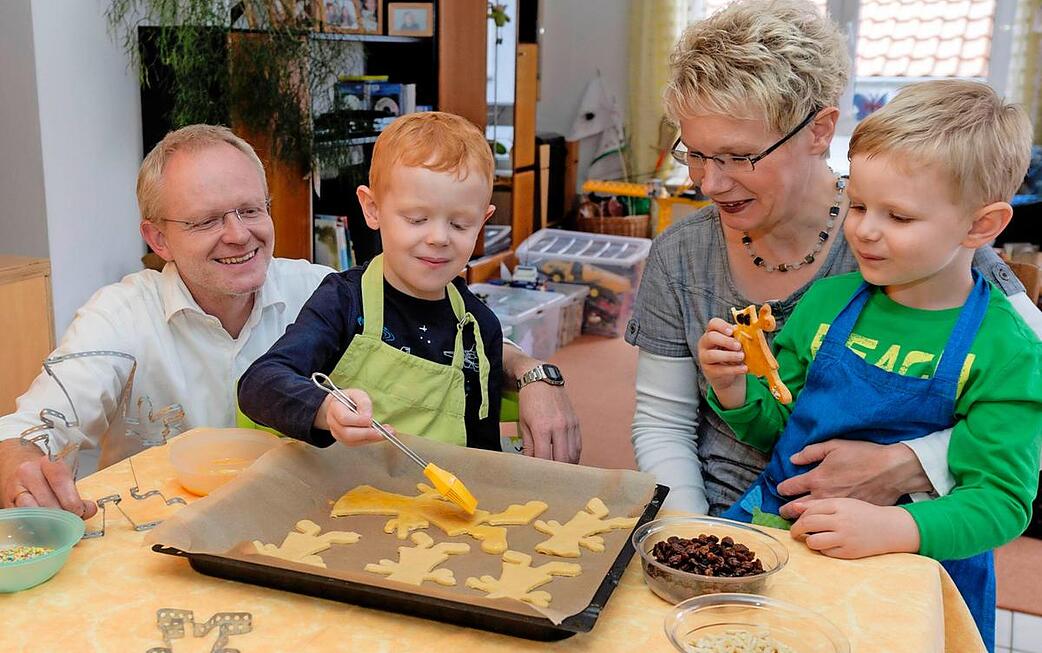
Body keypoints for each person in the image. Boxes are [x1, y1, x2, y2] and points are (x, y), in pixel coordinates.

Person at [0, 124, 580, 518]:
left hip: (297, 523)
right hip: (164, 536)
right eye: (206, 221)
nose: (238, 235)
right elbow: (33, 426)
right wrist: (17, 461)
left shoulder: (314, 285)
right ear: (158, 238)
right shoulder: (118, 317)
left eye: (251, 210)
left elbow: (447, 337)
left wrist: (535, 375)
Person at [627, 0, 1042, 518]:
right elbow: (663, 423)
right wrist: (690, 534)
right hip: (723, 512)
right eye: (695, 153)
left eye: (738, 157)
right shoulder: (680, 252)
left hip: (892, 524)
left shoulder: (930, 244)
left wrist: (911, 463)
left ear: (820, 130)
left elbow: (1024, 414)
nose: (709, 183)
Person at [699, 80, 1041, 651]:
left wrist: (893, 527)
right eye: (857, 205)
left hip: (910, 569)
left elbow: (1000, 502)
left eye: (899, 217)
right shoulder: (827, 303)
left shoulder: (1007, 351)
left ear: (980, 226)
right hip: (779, 535)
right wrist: (733, 388)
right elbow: (781, 429)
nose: (864, 230)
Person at [238, 112, 503, 451]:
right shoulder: (343, 302)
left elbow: (485, 454)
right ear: (372, 208)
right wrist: (326, 410)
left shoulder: (480, 329)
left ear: (483, 221)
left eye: (460, 224)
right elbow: (259, 384)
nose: (439, 238)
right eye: (417, 219)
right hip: (340, 484)